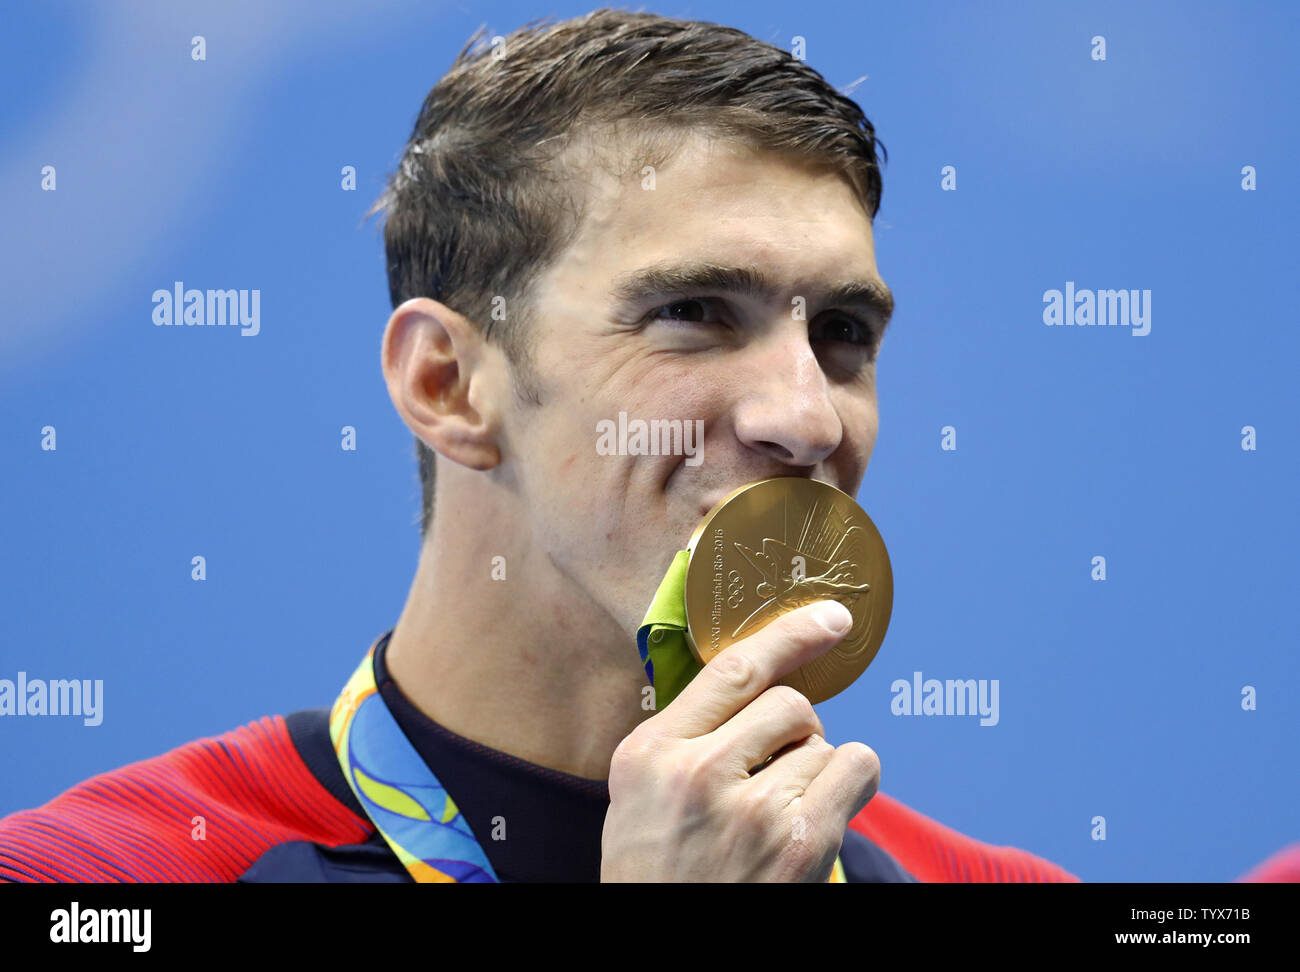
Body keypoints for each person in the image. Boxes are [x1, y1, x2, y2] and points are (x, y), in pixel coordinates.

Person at [2, 8, 1292, 884]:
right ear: (449, 382)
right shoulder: (99, 879)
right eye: (692, 316)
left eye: (841, 332)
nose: (807, 415)